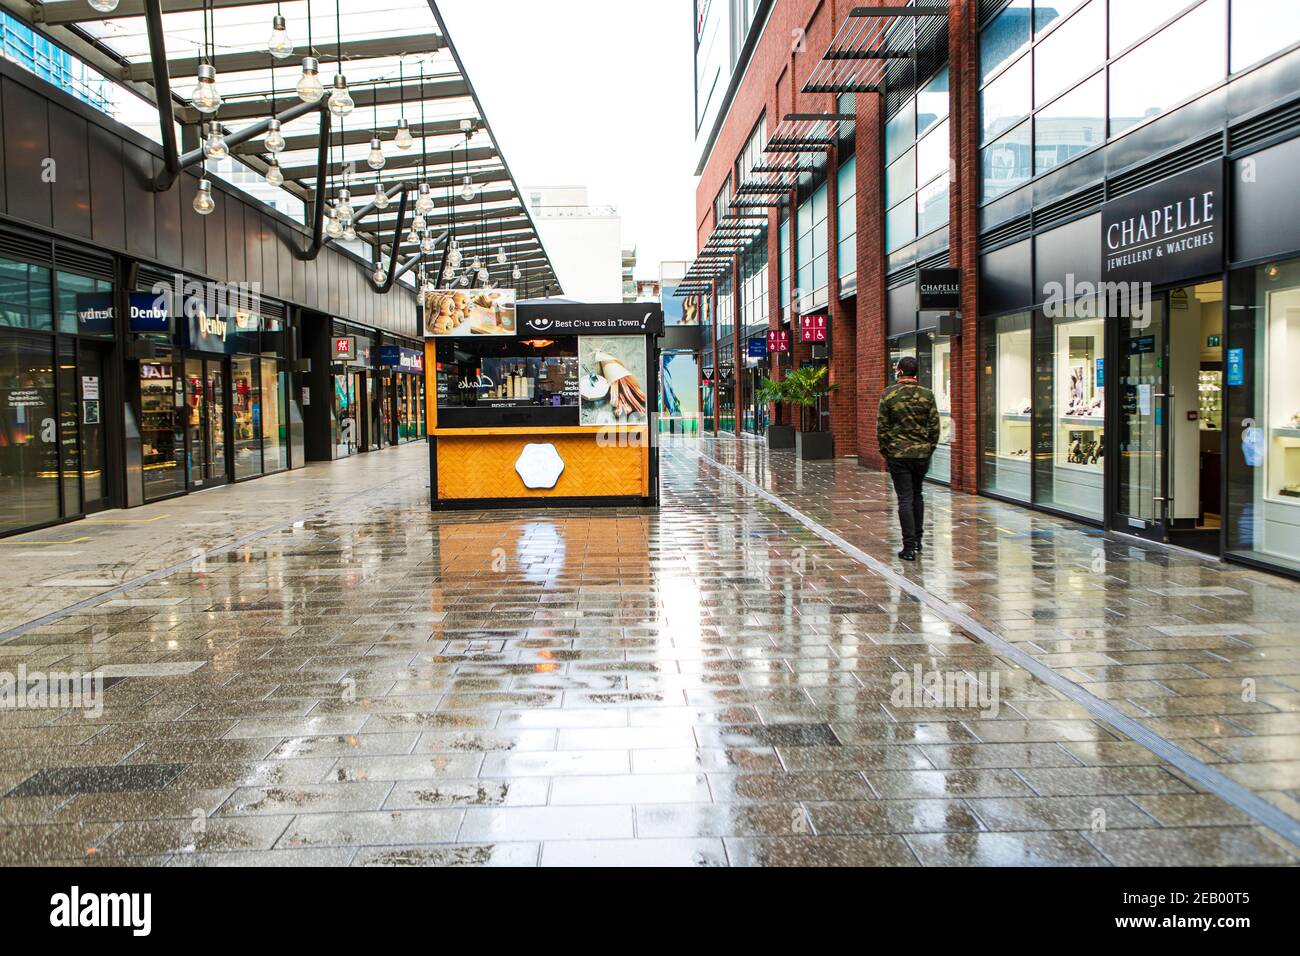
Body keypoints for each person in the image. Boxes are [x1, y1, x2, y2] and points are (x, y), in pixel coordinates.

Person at [877, 356, 940, 561]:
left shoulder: (888, 394)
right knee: (917, 494)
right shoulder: (927, 394)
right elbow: (934, 426)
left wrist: (886, 450)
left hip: (898, 454)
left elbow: (882, 427)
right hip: (921, 454)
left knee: (904, 498)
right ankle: (919, 541)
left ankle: (909, 546)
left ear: (900, 372)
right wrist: (928, 448)